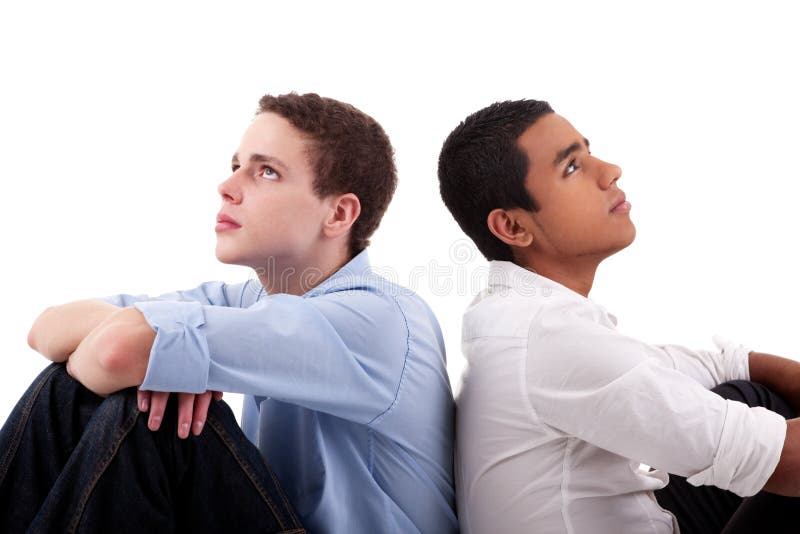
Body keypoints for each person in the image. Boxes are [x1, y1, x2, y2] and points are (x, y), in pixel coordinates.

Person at [2, 92, 457, 533]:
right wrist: (158, 365)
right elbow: (46, 328)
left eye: (267, 172)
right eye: (236, 166)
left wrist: (149, 362)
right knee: (82, 385)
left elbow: (117, 350)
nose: (227, 187)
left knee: (149, 414)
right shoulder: (247, 301)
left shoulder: (376, 320)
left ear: (338, 214)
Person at [437, 98, 800, 534]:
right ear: (513, 227)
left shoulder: (522, 314)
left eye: (589, 153)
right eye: (572, 167)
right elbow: (785, 463)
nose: (610, 171)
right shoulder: (549, 339)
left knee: (753, 398)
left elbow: (725, 364)